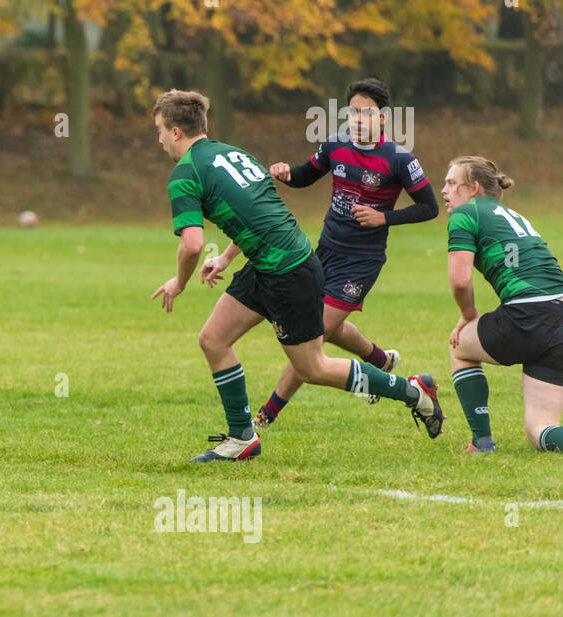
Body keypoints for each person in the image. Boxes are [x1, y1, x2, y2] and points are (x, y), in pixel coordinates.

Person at [150, 89, 443, 461]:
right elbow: (259, 212)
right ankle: (243, 438)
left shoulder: (185, 173)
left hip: (287, 271)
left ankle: (414, 392)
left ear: (176, 132)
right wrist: (225, 258)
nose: (158, 139)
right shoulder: (233, 153)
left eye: (159, 130)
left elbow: (191, 245)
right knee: (213, 339)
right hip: (271, 261)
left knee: (313, 367)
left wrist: (179, 282)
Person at [259, 78, 438, 426]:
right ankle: (380, 360)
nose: (358, 118)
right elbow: (305, 176)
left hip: (361, 262)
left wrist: (382, 217)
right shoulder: (335, 146)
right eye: (353, 111)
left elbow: (429, 207)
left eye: (366, 112)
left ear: (383, 118)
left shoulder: (399, 159)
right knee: (331, 328)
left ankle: (266, 415)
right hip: (325, 251)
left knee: (311, 335)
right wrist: (285, 174)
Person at [443, 156, 563, 452]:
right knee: (540, 431)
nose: (444, 190)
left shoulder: (465, 214)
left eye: (450, 183)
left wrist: (468, 315)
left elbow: (460, 281)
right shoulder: (513, 214)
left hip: (529, 314)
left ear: (472, 188)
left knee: (460, 346)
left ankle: (482, 442)